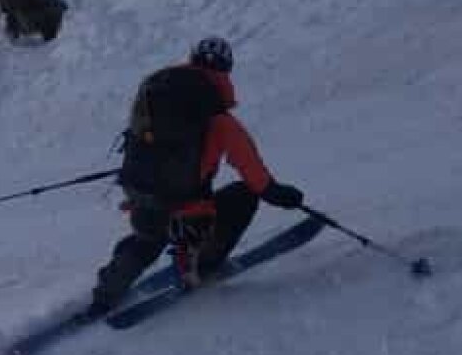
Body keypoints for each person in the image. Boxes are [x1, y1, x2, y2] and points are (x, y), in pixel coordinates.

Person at [88, 35, 305, 315]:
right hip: (188, 207)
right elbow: (250, 168)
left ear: (191, 59)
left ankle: (106, 293)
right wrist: (275, 192)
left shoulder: (155, 93)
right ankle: (200, 264)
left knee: (145, 241)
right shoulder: (217, 116)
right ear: (226, 70)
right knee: (242, 195)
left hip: (141, 196)